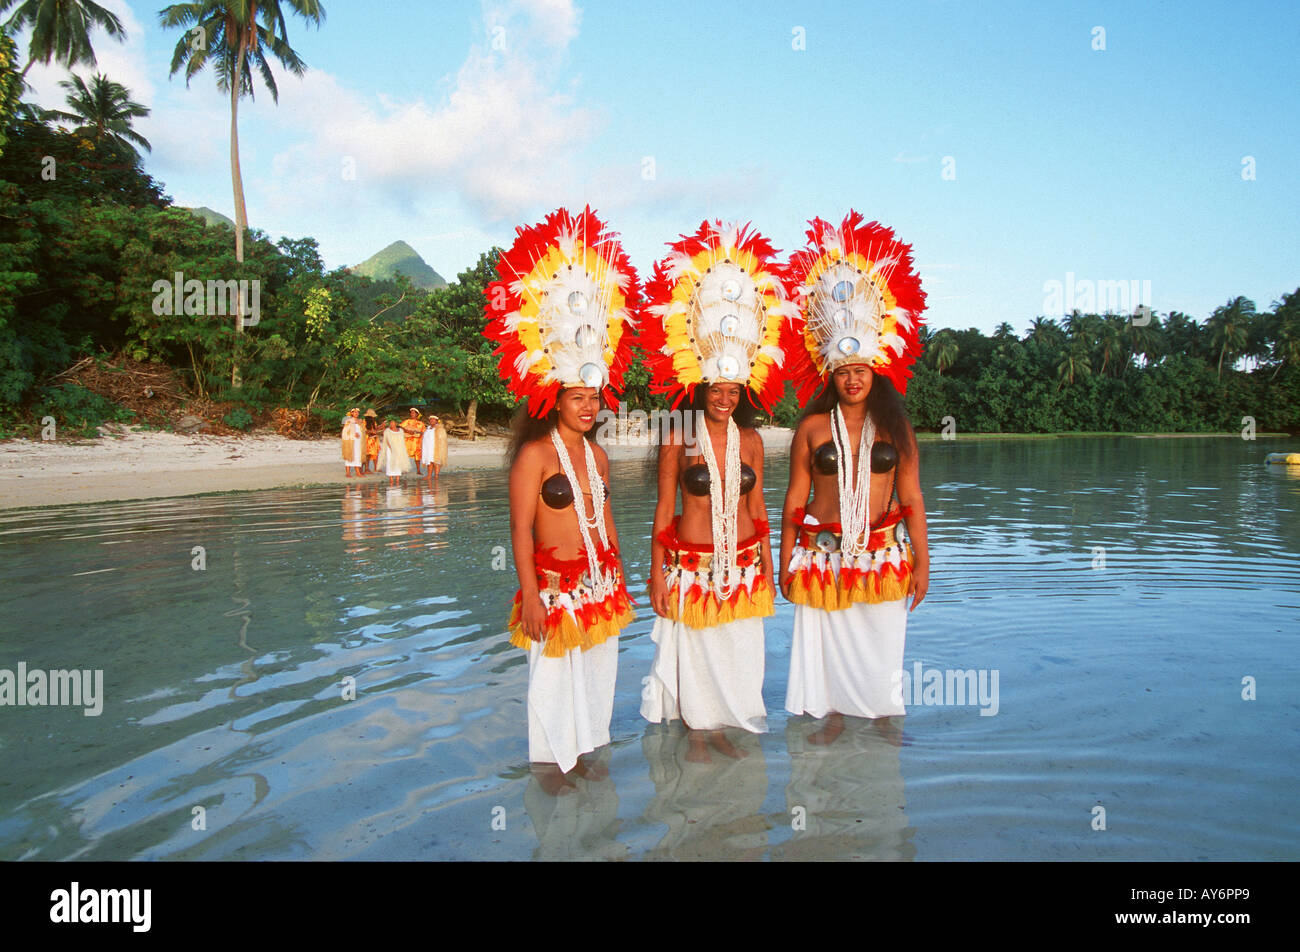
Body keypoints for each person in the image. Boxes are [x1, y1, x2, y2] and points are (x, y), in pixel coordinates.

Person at [484, 205, 641, 785]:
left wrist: (622, 572)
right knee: (551, 681)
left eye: (594, 398)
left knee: (598, 679)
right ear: (555, 399)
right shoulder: (535, 454)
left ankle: (590, 755)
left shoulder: (596, 454)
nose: (588, 406)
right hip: (551, 587)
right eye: (577, 397)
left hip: (599, 584)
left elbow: (605, 516)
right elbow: (521, 529)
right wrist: (529, 593)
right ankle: (551, 767)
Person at [637, 220, 796, 751]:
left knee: (742, 651)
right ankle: (700, 731)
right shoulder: (677, 437)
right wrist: (657, 577)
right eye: (716, 390)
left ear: (742, 392)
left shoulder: (751, 440)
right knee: (701, 649)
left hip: (746, 560)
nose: (724, 398)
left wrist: (771, 568)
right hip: (693, 561)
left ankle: (731, 722)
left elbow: (759, 505)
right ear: (700, 386)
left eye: (733, 391)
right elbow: (664, 511)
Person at [779, 211, 931, 744]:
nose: (852, 379)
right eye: (843, 372)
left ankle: (883, 718)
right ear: (831, 375)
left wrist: (923, 564)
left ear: (875, 372)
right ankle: (833, 718)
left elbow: (911, 496)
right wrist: (784, 561)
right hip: (822, 549)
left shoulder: (896, 426)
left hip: (886, 549)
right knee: (828, 639)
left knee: (884, 641)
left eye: (860, 371)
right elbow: (795, 498)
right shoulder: (812, 427)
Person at [377, 418, 411, 487]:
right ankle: (391, 479)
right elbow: (386, 440)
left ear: (396, 423)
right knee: (390, 462)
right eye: (391, 423)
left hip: (399, 449)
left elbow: (402, 441)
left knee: (398, 462)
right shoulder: (387, 431)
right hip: (390, 449)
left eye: (393, 422)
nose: (392, 424)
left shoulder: (400, 431)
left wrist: (400, 449)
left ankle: (398, 479)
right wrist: (391, 448)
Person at [420, 413, 448, 484]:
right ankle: (429, 475)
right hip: (428, 448)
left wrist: (439, 447)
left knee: (436, 462)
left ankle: (436, 475)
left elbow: (442, 439)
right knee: (429, 462)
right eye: (430, 419)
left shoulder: (440, 429)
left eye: (433, 419)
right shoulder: (428, 428)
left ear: (436, 421)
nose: (432, 420)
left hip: (436, 447)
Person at [400, 408, 426, 475]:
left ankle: (418, 470)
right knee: (405, 455)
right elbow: (399, 427)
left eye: (413, 413)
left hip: (416, 442)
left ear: (417, 414)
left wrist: (417, 432)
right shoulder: (407, 421)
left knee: (417, 456)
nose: (412, 414)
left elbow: (424, 432)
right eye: (411, 413)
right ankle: (404, 469)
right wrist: (407, 431)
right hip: (407, 441)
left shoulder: (421, 423)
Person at [341, 408, 365, 478]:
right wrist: (353, 434)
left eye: (357, 412)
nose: (356, 413)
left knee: (358, 455)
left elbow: (363, 431)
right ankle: (348, 473)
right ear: (351, 413)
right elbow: (345, 431)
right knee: (350, 454)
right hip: (351, 441)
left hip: (359, 441)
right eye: (354, 412)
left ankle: (358, 472)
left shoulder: (360, 421)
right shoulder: (348, 420)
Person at [364, 409, 380, 473]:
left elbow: (376, 429)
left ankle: (376, 468)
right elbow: (364, 431)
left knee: (375, 454)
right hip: (368, 439)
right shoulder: (364, 422)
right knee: (368, 454)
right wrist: (371, 432)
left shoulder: (374, 422)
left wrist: (381, 426)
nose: (373, 418)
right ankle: (366, 469)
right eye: (372, 417)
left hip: (374, 439)